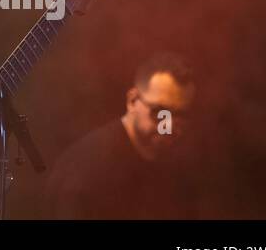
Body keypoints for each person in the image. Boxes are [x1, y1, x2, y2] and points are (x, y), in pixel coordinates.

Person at [44, 52, 198, 219]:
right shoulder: (86, 172)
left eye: (180, 115)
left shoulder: (175, 168)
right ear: (132, 101)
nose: (169, 126)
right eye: (160, 112)